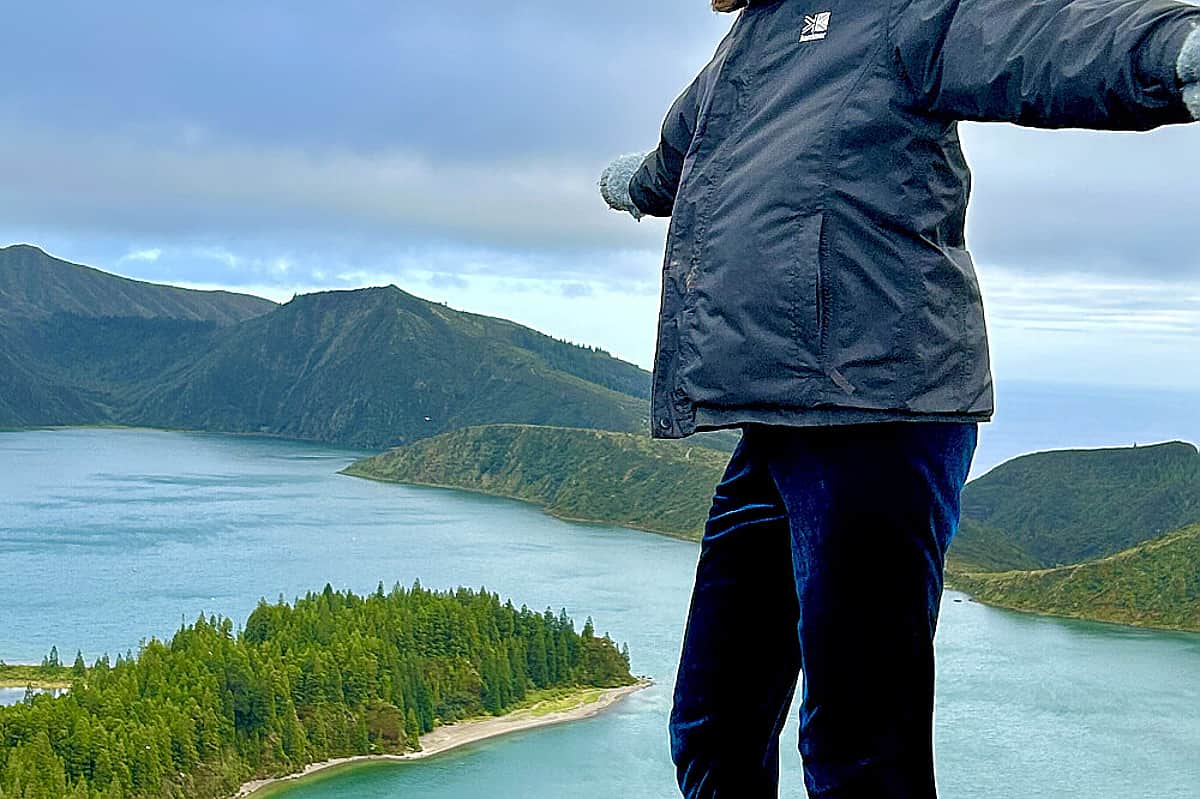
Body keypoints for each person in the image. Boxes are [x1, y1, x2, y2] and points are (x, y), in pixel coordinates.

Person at [599, 0, 1200, 796]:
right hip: (781, 422)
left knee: (858, 744)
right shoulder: (746, 44)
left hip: (883, 409)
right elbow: (686, 153)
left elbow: (1039, 41)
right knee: (713, 722)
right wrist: (634, 184)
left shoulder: (899, 13)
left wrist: (1173, 48)